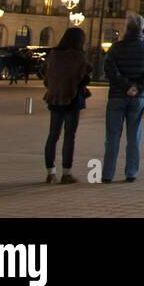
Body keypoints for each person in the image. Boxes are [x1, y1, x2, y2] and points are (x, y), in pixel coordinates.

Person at [102, 14, 144, 183]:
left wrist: (126, 86)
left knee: (112, 136)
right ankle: (131, 173)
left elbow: (110, 71)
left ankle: (107, 174)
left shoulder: (116, 48)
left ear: (127, 28)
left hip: (116, 96)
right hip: (139, 98)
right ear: (142, 28)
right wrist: (138, 87)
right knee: (134, 136)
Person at [42, 27, 91, 184]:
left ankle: (50, 173)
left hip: (54, 99)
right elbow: (84, 76)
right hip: (72, 99)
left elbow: (45, 76)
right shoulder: (78, 56)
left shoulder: (53, 54)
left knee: (52, 136)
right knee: (69, 137)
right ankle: (66, 173)